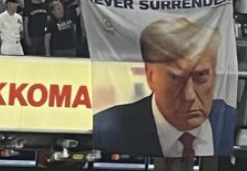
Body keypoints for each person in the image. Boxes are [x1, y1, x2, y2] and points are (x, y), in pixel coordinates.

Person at [92, 18, 235, 157]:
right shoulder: (109, 129)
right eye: (175, 78)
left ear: (215, 73)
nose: (189, 95)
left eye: (201, 75)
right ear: (150, 76)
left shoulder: (231, 123)